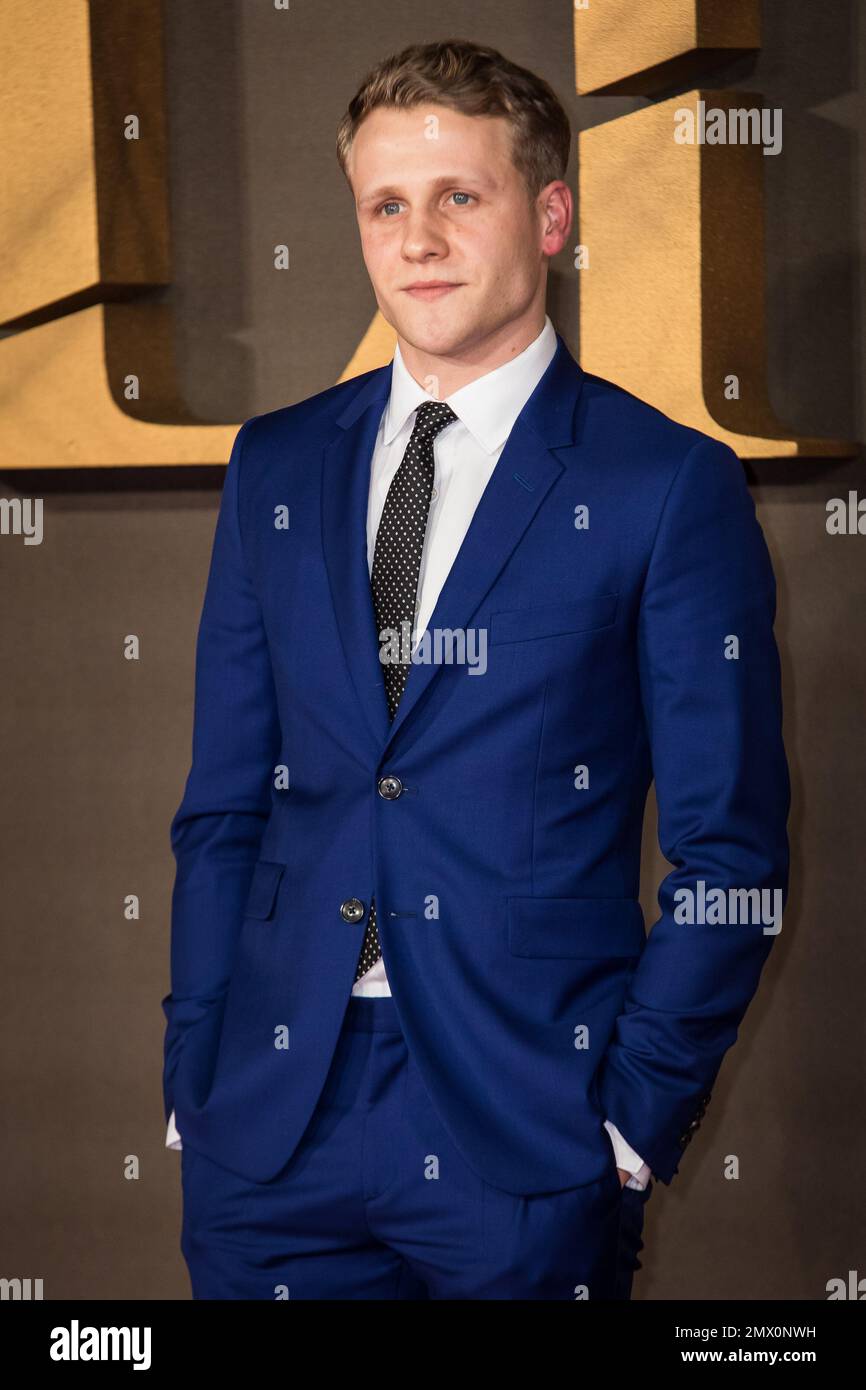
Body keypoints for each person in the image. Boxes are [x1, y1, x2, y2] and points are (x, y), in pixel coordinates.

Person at [162, 38, 790, 1300]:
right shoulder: (275, 467)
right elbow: (224, 807)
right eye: (385, 205)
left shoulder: (658, 484)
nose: (418, 239)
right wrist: (196, 1076)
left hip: (522, 1123)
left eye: (460, 196)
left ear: (548, 215)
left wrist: (623, 1125)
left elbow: (730, 854)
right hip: (270, 1123)